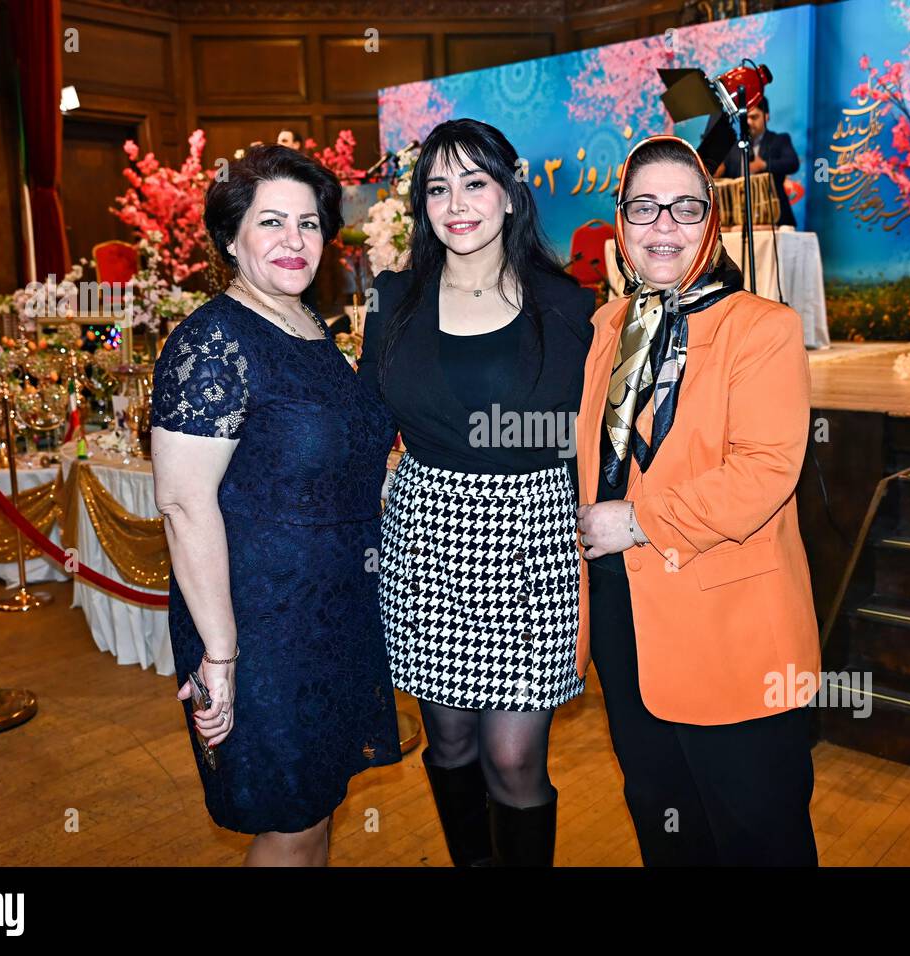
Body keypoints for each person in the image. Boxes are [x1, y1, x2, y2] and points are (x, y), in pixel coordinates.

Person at [150, 144, 401, 866]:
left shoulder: (313, 331)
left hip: (334, 613)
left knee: (318, 805)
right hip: (256, 624)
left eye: (310, 223)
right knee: (289, 820)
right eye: (271, 223)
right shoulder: (213, 341)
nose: (295, 241)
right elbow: (183, 503)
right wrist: (220, 654)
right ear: (231, 239)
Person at [574, 134, 820, 866]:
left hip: (731, 627)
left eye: (684, 208)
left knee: (758, 833)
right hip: (626, 619)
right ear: (620, 220)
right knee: (663, 820)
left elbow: (767, 470)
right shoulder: (607, 326)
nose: (663, 227)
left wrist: (641, 520)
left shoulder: (763, 329)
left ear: (710, 221)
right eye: (644, 208)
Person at [357, 118, 595, 867]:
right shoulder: (393, 300)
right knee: (449, 739)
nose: (456, 202)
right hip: (426, 535)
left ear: (510, 194)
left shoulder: (566, 304)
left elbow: (586, 434)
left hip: (533, 536)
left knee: (517, 758)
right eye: (438, 187)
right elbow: (365, 426)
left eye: (474, 182)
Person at [706, 96, 800, 228]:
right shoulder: (732, 147)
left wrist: (763, 165)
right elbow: (724, 171)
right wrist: (719, 171)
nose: (749, 122)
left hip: (776, 218)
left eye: (754, 117)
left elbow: (792, 163)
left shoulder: (779, 140)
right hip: (739, 219)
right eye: (746, 118)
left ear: (766, 116)